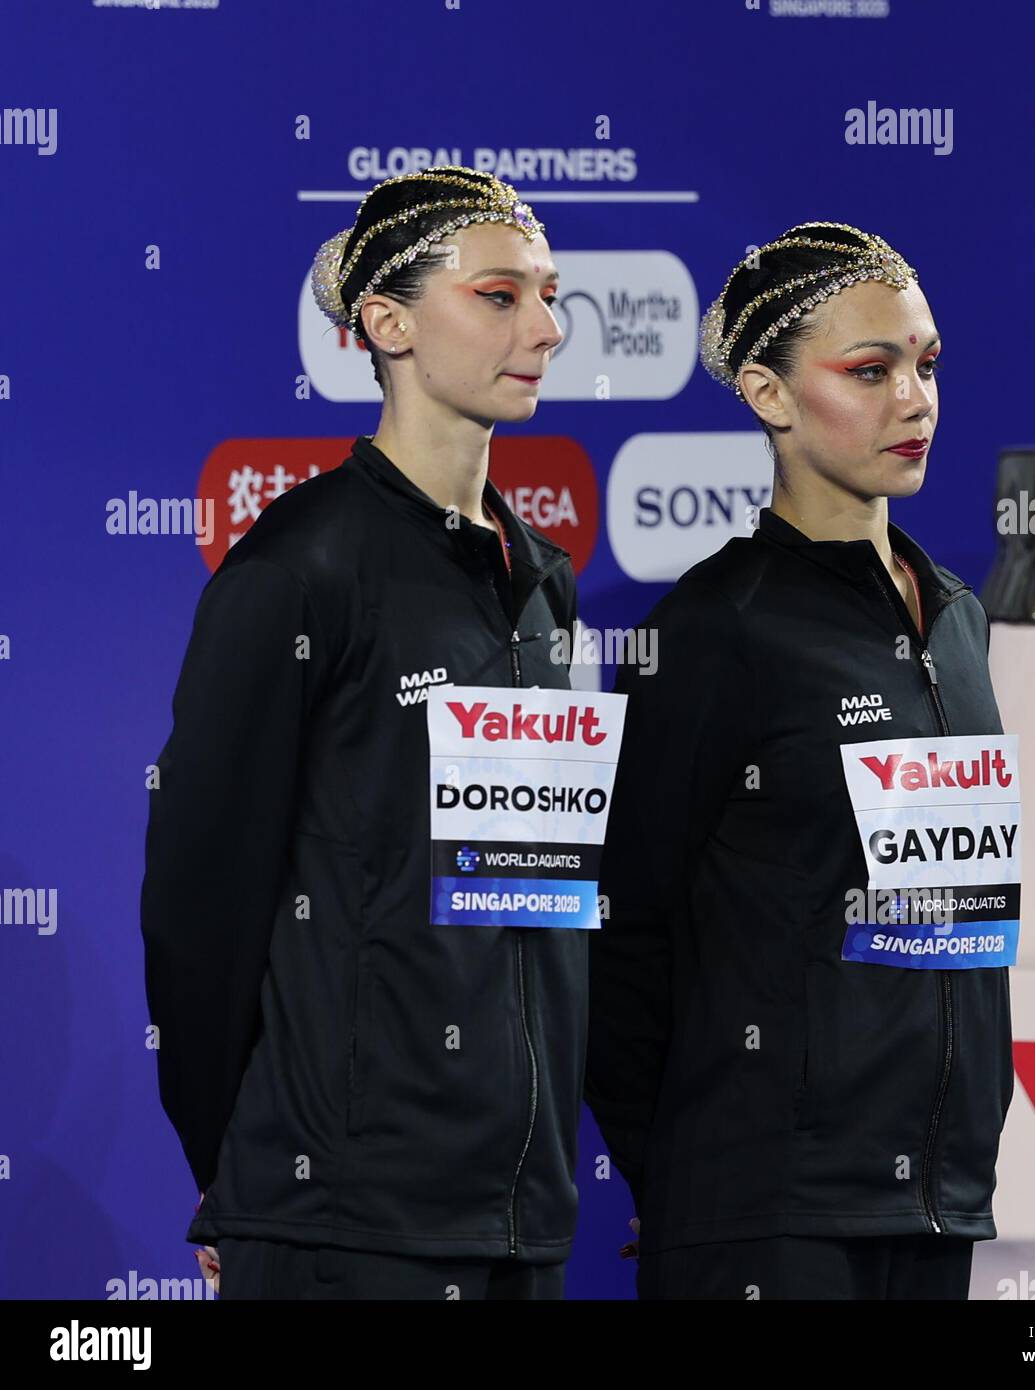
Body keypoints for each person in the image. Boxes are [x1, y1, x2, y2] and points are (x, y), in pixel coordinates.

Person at [140, 166, 583, 1300]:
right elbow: (203, 903)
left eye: (548, 293)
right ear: (385, 323)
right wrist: (236, 1169)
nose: (543, 325)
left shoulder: (541, 583)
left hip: (514, 1216)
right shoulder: (298, 568)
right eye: (498, 295)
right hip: (339, 1216)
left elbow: (535, 895)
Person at [584, 222, 1017, 1300]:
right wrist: (683, 1172)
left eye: (925, 364)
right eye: (868, 371)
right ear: (768, 395)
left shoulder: (957, 619)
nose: (913, 400)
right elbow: (614, 930)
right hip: (766, 1211)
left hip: (936, 1203)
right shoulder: (713, 630)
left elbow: (961, 909)